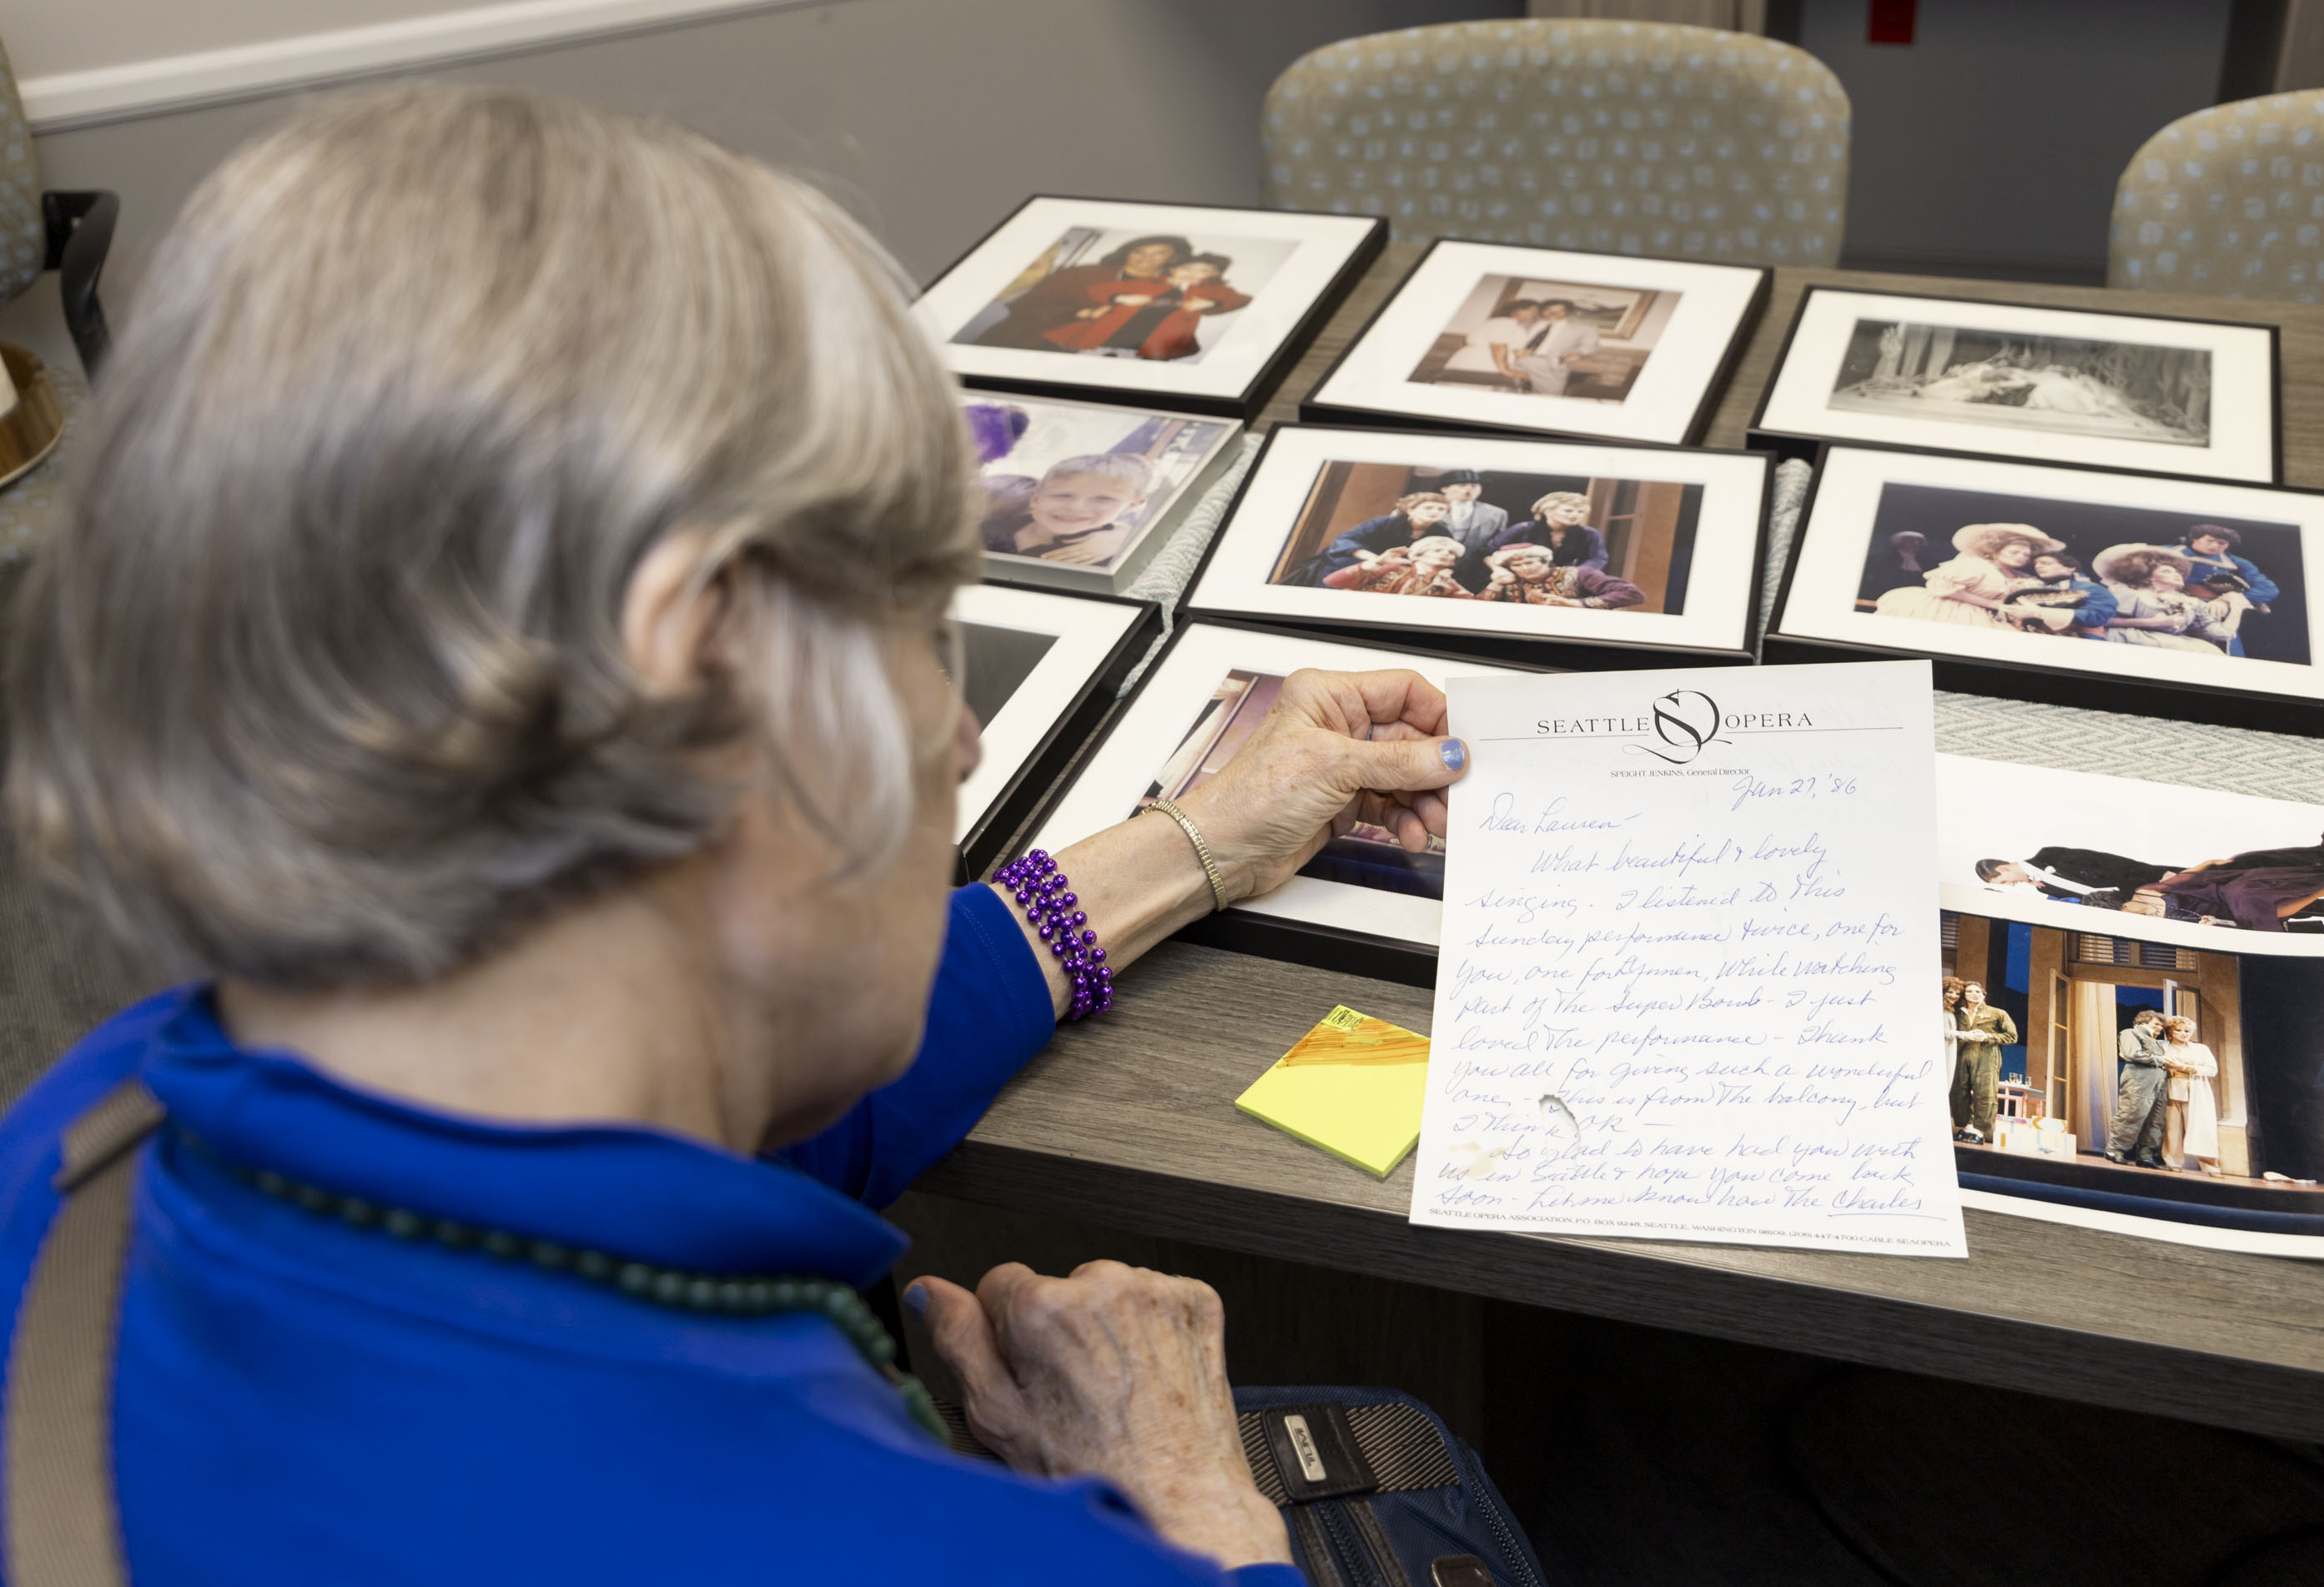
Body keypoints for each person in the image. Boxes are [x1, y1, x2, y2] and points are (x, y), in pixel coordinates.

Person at [0, 86, 1481, 1584]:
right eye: (919, 633)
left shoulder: (80, 1130)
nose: (958, 733)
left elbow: (697, 1061)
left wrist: (1196, 839)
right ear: (703, 658)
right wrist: (1194, 1515)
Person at [971, 232, 1195, 350]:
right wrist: (1082, 314)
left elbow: (1150, 335)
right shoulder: (1085, 273)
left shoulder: (1170, 293)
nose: (1146, 258)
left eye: (1159, 253)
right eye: (1139, 251)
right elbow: (1025, 305)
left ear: (1174, 258)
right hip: (1017, 340)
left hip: (1071, 360)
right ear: (1128, 252)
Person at [2124, 830, 2324, 932]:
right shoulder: (2148, 927)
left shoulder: (2145, 893)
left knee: (2244, 889)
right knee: (2249, 903)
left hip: (2218, 894)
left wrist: (2208, 864)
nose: (2126, 915)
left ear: (2121, 905)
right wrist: (2204, 927)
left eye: (2123, 912)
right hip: (2225, 919)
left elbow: (2184, 879)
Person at [1041, 254, 1250, 362]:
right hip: (1111, 333)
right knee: (1086, 361)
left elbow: (1241, 299)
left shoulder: (1209, 291)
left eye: (1202, 271)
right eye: (1187, 268)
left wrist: (1211, 302)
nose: (1193, 273)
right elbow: (1100, 290)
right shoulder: (1149, 282)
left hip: (1150, 344)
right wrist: (1121, 297)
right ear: (1173, 269)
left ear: (1212, 277)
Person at [1870, 523, 2060, 630]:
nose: (2021, 557)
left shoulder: (2022, 576)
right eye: (2015, 552)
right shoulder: (1976, 565)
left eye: (2026, 555)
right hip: (1952, 612)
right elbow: (1940, 587)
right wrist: (1992, 604)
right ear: (1995, 550)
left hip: (1994, 619)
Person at [979, 452, 1156, 565]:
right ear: (1035, 498)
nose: (1075, 508)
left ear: (1132, 506)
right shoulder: (992, 524)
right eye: (1062, 495)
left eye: (1103, 499)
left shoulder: (1111, 560)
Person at [2163, 523, 2278, 657]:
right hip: (2170, 606)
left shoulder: (2236, 562)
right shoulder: (2167, 551)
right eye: (2209, 541)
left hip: (2214, 612)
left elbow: (2268, 589)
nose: (2215, 546)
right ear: (2195, 538)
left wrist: (2228, 601)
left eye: (2222, 543)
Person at [2094, 544, 2235, 653]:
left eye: (2177, 571)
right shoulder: (2130, 593)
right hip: (2131, 638)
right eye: (2167, 571)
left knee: (2209, 651)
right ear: (2148, 576)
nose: (2177, 575)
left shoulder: (2191, 601)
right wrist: (2155, 622)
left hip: (2172, 641)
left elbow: (2221, 634)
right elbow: (2102, 620)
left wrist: (2236, 605)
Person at [1974, 846, 2181, 908]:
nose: (2011, 885)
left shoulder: (2049, 854)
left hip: (2155, 880)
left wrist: (2156, 874)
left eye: (2004, 881)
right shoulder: (2043, 887)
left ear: (2002, 869)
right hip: (2142, 903)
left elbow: (2110, 861)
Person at [1316, 492, 1456, 577]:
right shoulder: (1383, 523)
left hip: (1403, 574)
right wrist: (1378, 560)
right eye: (1428, 507)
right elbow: (1345, 541)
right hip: (1355, 566)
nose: (1435, 512)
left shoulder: (1442, 533)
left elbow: (1449, 556)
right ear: (1411, 510)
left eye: (1441, 509)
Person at [1949, 981, 2020, 1145]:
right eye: (1969, 992)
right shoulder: (1956, 1013)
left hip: (1986, 1057)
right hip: (1961, 1055)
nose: (1974, 994)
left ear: (1983, 995)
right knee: (1958, 1092)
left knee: (1985, 1093)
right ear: (1964, 995)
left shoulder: (1997, 1013)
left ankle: (1980, 1131)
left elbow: (2012, 1036)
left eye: (1977, 992)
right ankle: (1966, 1127)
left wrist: (1988, 1037)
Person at [1476, 541, 1644, 609]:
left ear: (1545, 562)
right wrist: (1496, 583)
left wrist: (1575, 603)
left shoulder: (1580, 573)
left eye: (1530, 562)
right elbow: (1477, 609)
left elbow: (1632, 593)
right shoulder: (1509, 582)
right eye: (1517, 565)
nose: (1524, 568)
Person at [2105, 1010, 2172, 1167]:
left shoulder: (2155, 1042)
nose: (2159, 1028)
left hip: (2158, 1085)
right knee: (2131, 1115)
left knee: (2155, 1121)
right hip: (2138, 1083)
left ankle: (2145, 1156)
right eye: (2156, 1024)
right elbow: (2133, 1053)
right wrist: (2161, 1059)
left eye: (2161, 1025)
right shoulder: (2131, 1033)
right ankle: (2115, 1150)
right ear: (2142, 1022)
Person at [2000, 550, 2116, 637]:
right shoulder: (2035, 589)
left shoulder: (2091, 588)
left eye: (2046, 563)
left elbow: (2097, 616)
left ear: (2070, 568)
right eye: (2036, 564)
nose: (2038, 566)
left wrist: (2040, 612)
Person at [1491, 492, 1609, 575]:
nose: (1575, 515)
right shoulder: (1523, 528)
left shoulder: (1590, 534)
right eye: (1568, 510)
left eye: (1580, 512)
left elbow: (1597, 559)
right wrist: (1498, 570)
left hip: (1566, 581)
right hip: (1518, 578)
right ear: (1548, 511)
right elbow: (1487, 552)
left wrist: (1573, 575)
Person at [2162, 1017, 2223, 1175]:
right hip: (2170, 1088)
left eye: (2187, 1031)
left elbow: (2212, 1070)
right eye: (2179, 1030)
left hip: (2195, 1091)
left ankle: (2210, 1165)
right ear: (2171, 1032)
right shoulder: (2162, 1047)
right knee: (2172, 1129)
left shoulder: (2201, 1049)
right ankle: (2173, 1162)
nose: (2184, 1034)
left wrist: (2185, 1067)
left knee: (2201, 1128)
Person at [1322, 534, 1471, 598]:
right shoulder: (1396, 569)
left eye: (1451, 553)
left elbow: (1475, 608)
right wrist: (1378, 562)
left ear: (1453, 562)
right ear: (1418, 555)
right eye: (1438, 550)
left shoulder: (1446, 583)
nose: (1446, 554)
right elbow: (1332, 581)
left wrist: (1496, 583)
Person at [1433, 470, 1512, 592]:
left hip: (1473, 575)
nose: (1469, 490)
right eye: (1461, 486)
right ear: (1444, 489)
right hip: (1431, 570)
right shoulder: (1425, 507)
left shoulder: (1497, 514)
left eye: (1474, 486)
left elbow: (1495, 546)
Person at [1436, 297, 1543, 385]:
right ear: (1516, 310)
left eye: (1537, 312)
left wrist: (1517, 353)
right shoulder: (1503, 322)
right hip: (1480, 362)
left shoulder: (1515, 326)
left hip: (1492, 362)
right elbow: (1498, 346)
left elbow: (1508, 345)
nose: (1535, 314)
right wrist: (1506, 370)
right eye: (1531, 310)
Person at [1511, 299, 1603, 397]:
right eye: (1549, 310)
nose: (1553, 313)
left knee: (1548, 397)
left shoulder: (1584, 329)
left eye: (1559, 310)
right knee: (1507, 391)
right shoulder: (1526, 323)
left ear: (1567, 312)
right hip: (1517, 362)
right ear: (1542, 311)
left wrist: (1578, 353)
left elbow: (1590, 347)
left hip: (1550, 365)